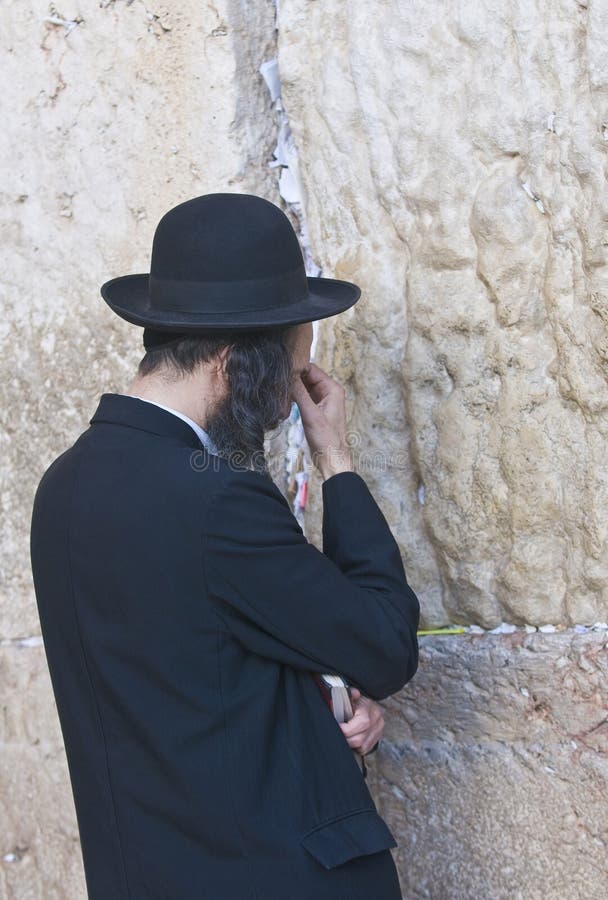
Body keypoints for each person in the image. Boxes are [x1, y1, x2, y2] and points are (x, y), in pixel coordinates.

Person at [30, 193, 420, 900]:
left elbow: (188, 674)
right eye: (289, 373)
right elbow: (385, 643)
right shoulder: (215, 497)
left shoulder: (63, 486)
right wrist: (336, 457)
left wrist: (321, 699)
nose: (283, 405)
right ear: (238, 361)